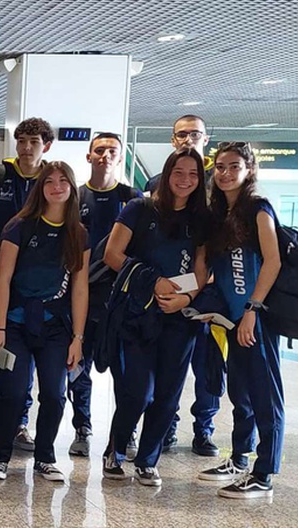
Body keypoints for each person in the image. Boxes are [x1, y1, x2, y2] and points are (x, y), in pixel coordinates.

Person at [100, 148, 208, 485]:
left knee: (168, 393)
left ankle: (148, 459)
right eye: (179, 172)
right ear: (167, 172)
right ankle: (115, 450)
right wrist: (153, 281)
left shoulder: (203, 218)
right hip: (137, 315)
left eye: (193, 174)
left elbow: (203, 268)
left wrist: (186, 297)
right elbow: (112, 255)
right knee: (137, 391)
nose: (185, 180)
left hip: (180, 317)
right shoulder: (140, 208)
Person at [0, 161, 89, 483]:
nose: (56, 187)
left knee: (56, 395)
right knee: (13, 392)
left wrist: (78, 337)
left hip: (56, 325)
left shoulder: (78, 233)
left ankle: (45, 456)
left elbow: (80, 287)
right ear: (40, 188)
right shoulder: (20, 226)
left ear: (72, 188)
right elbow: (2, 279)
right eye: (49, 182)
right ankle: (1, 455)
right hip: (15, 322)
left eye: (63, 181)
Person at [197, 142, 284, 498]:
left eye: (234, 166)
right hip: (231, 319)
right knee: (240, 393)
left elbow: (272, 262)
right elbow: (208, 266)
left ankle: (264, 472)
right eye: (220, 167)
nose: (225, 173)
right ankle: (240, 457)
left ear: (249, 170)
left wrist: (253, 309)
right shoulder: (217, 214)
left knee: (265, 395)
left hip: (256, 318)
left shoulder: (258, 210)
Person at [0, 117, 55, 452]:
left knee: (27, 355)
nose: (25, 147)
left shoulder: (53, 179)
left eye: (33, 141)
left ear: (45, 145)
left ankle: (20, 422)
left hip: (35, 284)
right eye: (21, 140)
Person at [146, 114, 221, 456]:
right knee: (168, 372)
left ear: (206, 138)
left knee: (207, 371)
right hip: (170, 292)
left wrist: (199, 290)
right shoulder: (158, 183)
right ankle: (167, 427)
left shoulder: (218, 184)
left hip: (211, 295)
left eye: (196, 133)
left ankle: (204, 429)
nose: (189, 138)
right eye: (182, 134)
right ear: (172, 140)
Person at [68, 132, 142, 457]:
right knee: (79, 367)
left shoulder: (134, 199)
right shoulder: (75, 198)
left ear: (120, 156)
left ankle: (125, 434)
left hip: (123, 298)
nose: (106, 156)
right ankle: (82, 427)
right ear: (89, 156)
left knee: (126, 371)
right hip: (85, 295)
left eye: (113, 150)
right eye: (99, 150)